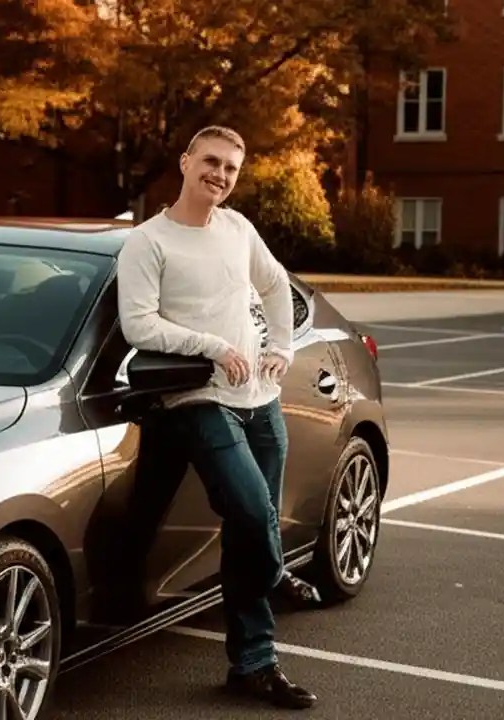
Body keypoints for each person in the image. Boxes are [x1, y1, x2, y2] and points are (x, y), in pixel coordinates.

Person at [115, 125, 317, 710]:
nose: (220, 174)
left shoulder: (237, 228)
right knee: (253, 516)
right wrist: (212, 346)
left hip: (260, 398)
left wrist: (282, 347)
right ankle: (274, 574)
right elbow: (138, 323)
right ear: (185, 162)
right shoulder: (148, 241)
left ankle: (253, 664)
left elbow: (275, 286)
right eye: (210, 161)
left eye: (230, 167)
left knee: (251, 529)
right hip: (198, 399)